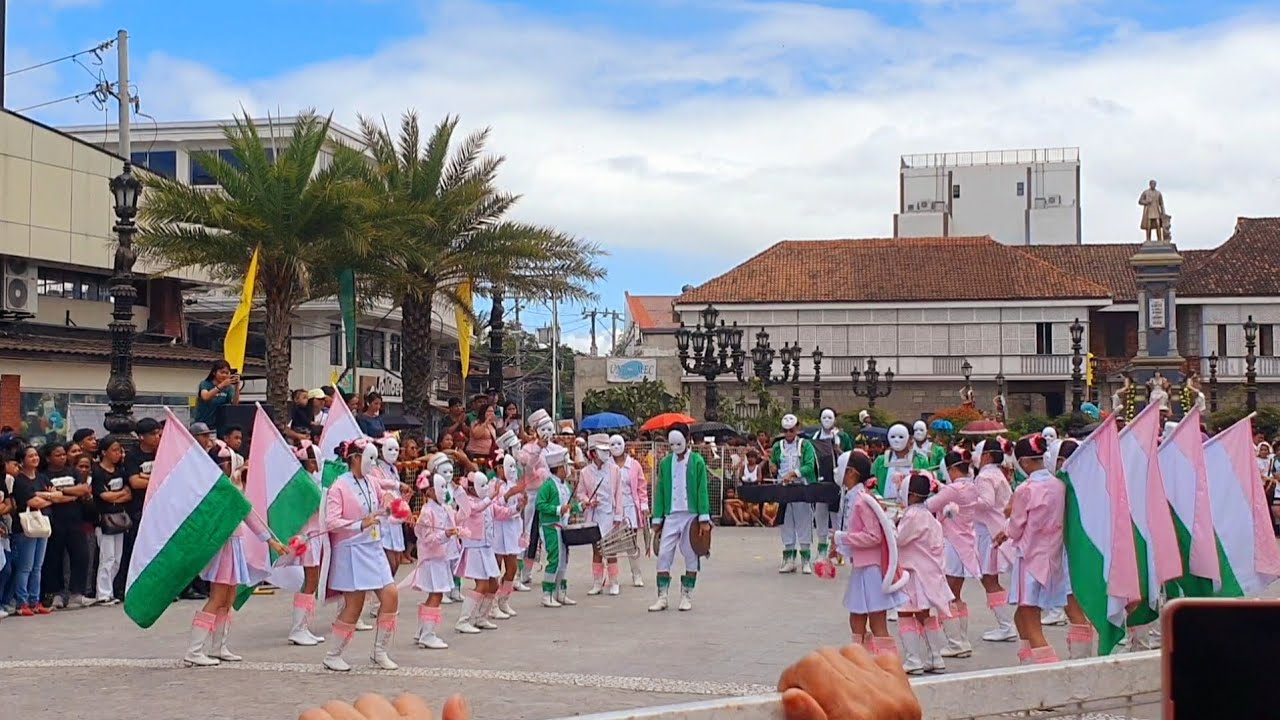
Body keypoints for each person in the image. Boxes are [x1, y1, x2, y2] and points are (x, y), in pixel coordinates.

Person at [183, 450, 287, 667]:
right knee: (217, 597)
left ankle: (218, 646)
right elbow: (245, 513)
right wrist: (270, 541)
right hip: (223, 546)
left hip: (235, 544)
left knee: (229, 598)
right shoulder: (218, 488)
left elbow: (248, 514)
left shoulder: (231, 486)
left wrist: (270, 541)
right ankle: (194, 650)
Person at [322, 438, 402, 672]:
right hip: (351, 550)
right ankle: (333, 654)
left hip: (373, 546)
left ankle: (380, 652)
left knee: (391, 595)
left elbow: (382, 498)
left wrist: (390, 508)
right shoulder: (339, 487)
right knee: (354, 606)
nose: (372, 463)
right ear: (355, 458)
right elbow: (332, 522)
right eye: (369, 458)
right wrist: (359, 524)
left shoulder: (370, 482)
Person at [994, 434, 1067, 664]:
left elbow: (1017, 528)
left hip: (1029, 556)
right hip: (1052, 553)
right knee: (1022, 613)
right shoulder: (1058, 485)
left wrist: (1008, 520)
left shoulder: (1025, 489)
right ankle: (1027, 659)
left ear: (1025, 462)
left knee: (1028, 610)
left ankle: (1047, 663)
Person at [832, 450, 906, 655]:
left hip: (871, 570)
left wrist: (842, 538)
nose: (837, 472)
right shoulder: (854, 497)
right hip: (862, 567)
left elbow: (873, 536)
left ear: (852, 473)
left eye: (842, 469)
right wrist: (838, 545)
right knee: (856, 617)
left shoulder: (862, 500)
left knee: (877, 621)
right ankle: (862, 661)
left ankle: (888, 665)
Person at [895, 472, 954, 675]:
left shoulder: (912, 516)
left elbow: (899, 539)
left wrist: (891, 525)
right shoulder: (929, 515)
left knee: (904, 612)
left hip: (913, 573)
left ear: (910, 495)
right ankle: (935, 657)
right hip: (928, 572)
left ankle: (913, 659)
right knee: (925, 614)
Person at [925, 449, 981, 659]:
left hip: (952, 544)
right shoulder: (971, 485)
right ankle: (962, 639)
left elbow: (930, 504)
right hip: (966, 543)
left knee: (947, 595)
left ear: (951, 469)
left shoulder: (954, 489)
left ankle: (956, 642)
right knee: (956, 595)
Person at [649, 424, 711, 612]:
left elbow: (702, 490)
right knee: (664, 554)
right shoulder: (666, 463)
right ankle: (662, 597)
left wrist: (704, 518)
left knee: (691, 554)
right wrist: (657, 519)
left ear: (687, 439)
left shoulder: (697, 461)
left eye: (679, 443)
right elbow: (659, 491)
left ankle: (686, 596)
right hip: (671, 515)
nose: (675, 447)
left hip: (691, 516)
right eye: (672, 444)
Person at [971, 438, 1016, 642]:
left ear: (987, 455)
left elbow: (986, 502)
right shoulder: (997, 473)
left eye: (978, 453)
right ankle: (1006, 624)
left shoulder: (984, 476)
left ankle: (1006, 625)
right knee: (990, 578)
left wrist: (964, 500)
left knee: (989, 578)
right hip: (995, 527)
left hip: (989, 532)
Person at [411, 468, 461, 649]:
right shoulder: (426, 512)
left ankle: (422, 631)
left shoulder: (443, 508)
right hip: (432, 559)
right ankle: (428, 634)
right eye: (441, 487)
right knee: (436, 594)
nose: (445, 491)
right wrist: (445, 535)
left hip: (441, 557)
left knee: (435, 593)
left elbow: (459, 517)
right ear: (430, 490)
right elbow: (427, 539)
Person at [40, 442, 92, 609]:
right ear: (48, 458)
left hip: (75, 521)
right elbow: (51, 498)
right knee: (54, 559)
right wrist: (70, 493)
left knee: (81, 556)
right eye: (57, 455)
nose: (62, 457)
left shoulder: (73, 472)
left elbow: (84, 489)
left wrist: (61, 492)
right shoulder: (44, 475)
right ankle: (57, 593)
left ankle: (77, 593)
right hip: (55, 522)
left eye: (63, 454)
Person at [287, 441, 327, 647]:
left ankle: (303, 626)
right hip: (308, 537)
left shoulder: (309, 481)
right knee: (311, 580)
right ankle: (298, 628)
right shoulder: (306, 483)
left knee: (311, 580)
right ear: (311, 463)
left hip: (314, 535)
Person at [452, 465, 500, 633]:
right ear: (471, 487)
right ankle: (463, 620)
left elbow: (499, 512)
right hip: (474, 548)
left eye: (487, 484)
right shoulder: (468, 501)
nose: (486, 488)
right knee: (481, 584)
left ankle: (481, 617)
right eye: (482, 485)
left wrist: (517, 507)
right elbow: (475, 510)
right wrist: (491, 497)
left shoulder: (485, 501)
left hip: (486, 548)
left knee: (494, 584)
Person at [118, 418, 162, 601]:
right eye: (153, 434)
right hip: (137, 509)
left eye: (158, 433)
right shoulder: (133, 455)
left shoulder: (162, 452)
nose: (157, 437)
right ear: (142, 436)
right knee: (134, 550)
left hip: (158, 509)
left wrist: (147, 478)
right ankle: (125, 587)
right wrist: (157, 481)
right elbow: (135, 482)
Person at [10, 445, 55, 615]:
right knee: (25, 567)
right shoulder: (20, 481)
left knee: (38, 566)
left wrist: (44, 496)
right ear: (22, 461)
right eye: (30, 456)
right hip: (26, 527)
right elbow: (32, 502)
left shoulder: (42, 478)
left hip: (42, 524)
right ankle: (22, 602)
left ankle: (35, 600)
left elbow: (57, 494)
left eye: (36, 455)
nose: (35, 458)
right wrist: (49, 497)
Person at [579, 434, 624, 596]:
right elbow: (580, 493)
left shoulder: (615, 470)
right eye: (601, 450)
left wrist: (618, 515)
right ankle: (597, 582)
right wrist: (587, 501)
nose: (606, 454)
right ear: (593, 453)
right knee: (597, 549)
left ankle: (614, 582)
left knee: (611, 549)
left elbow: (619, 493)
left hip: (610, 514)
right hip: (594, 515)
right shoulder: (585, 472)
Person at [773, 414, 818, 574]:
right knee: (786, 523)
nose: (788, 434)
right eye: (785, 431)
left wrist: (794, 473)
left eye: (791, 431)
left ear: (797, 429)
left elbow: (809, 466)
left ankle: (806, 560)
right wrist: (773, 468)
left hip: (801, 488)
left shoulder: (805, 445)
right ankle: (789, 559)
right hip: (784, 489)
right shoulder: (778, 446)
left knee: (803, 522)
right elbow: (775, 463)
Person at [536, 443, 578, 607]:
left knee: (564, 560)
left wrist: (581, 506)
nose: (567, 469)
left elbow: (568, 506)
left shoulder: (564, 485)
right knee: (554, 559)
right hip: (550, 527)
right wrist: (558, 509)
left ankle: (560, 592)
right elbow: (540, 505)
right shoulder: (548, 485)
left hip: (563, 527)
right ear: (558, 467)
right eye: (565, 466)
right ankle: (547, 594)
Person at [89, 436, 129, 607]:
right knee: (107, 556)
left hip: (119, 516)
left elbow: (129, 493)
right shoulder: (97, 471)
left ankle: (110, 589)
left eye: (119, 450)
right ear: (104, 452)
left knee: (117, 558)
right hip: (104, 518)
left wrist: (115, 498)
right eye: (114, 450)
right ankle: (102, 593)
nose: (118, 454)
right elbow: (103, 496)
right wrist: (116, 496)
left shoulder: (121, 470)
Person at [517, 409, 555, 589]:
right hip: (532, 495)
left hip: (550, 496)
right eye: (543, 429)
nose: (547, 433)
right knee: (528, 532)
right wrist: (538, 448)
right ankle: (522, 572)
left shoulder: (556, 448)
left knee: (548, 533)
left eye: (550, 428)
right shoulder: (528, 449)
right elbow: (528, 467)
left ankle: (549, 569)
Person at [810, 408, 854, 558]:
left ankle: (838, 549)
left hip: (838, 480)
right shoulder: (814, 437)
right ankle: (822, 548)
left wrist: (838, 450)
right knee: (820, 513)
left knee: (837, 514)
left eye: (830, 417)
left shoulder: (842, 437)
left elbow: (851, 457)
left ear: (835, 419)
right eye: (824, 417)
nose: (827, 420)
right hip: (821, 480)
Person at [491, 432, 525, 616]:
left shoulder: (514, 483)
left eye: (513, 466)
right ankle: (492, 604)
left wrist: (521, 502)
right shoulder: (493, 485)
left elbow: (517, 508)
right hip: (497, 530)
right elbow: (496, 508)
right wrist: (510, 495)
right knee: (495, 568)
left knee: (511, 568)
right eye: (507, 466)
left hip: (512, 530)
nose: (512, 470)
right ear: (498, 468)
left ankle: (504, 600)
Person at [609, 434, 649, 587]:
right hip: (612, 509)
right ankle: (612, 577)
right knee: (611, 543)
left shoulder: (634, 465)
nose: (616, 447)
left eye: (619, 444)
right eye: (612, 444)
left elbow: (641, 487)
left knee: (631, 543)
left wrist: (644, 506)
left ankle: (636, 574)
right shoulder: (607, 465)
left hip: (630, 507)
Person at [194, 360, 241, 426]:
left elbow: (234, 404)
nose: (224, 375)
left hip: (218, 425)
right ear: (214, 373)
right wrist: (221, 386)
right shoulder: (205, 384)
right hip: (202, 424)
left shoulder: (229, 388)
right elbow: (205, 396)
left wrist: (237, 387)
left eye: (227, 373)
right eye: (222, 372)